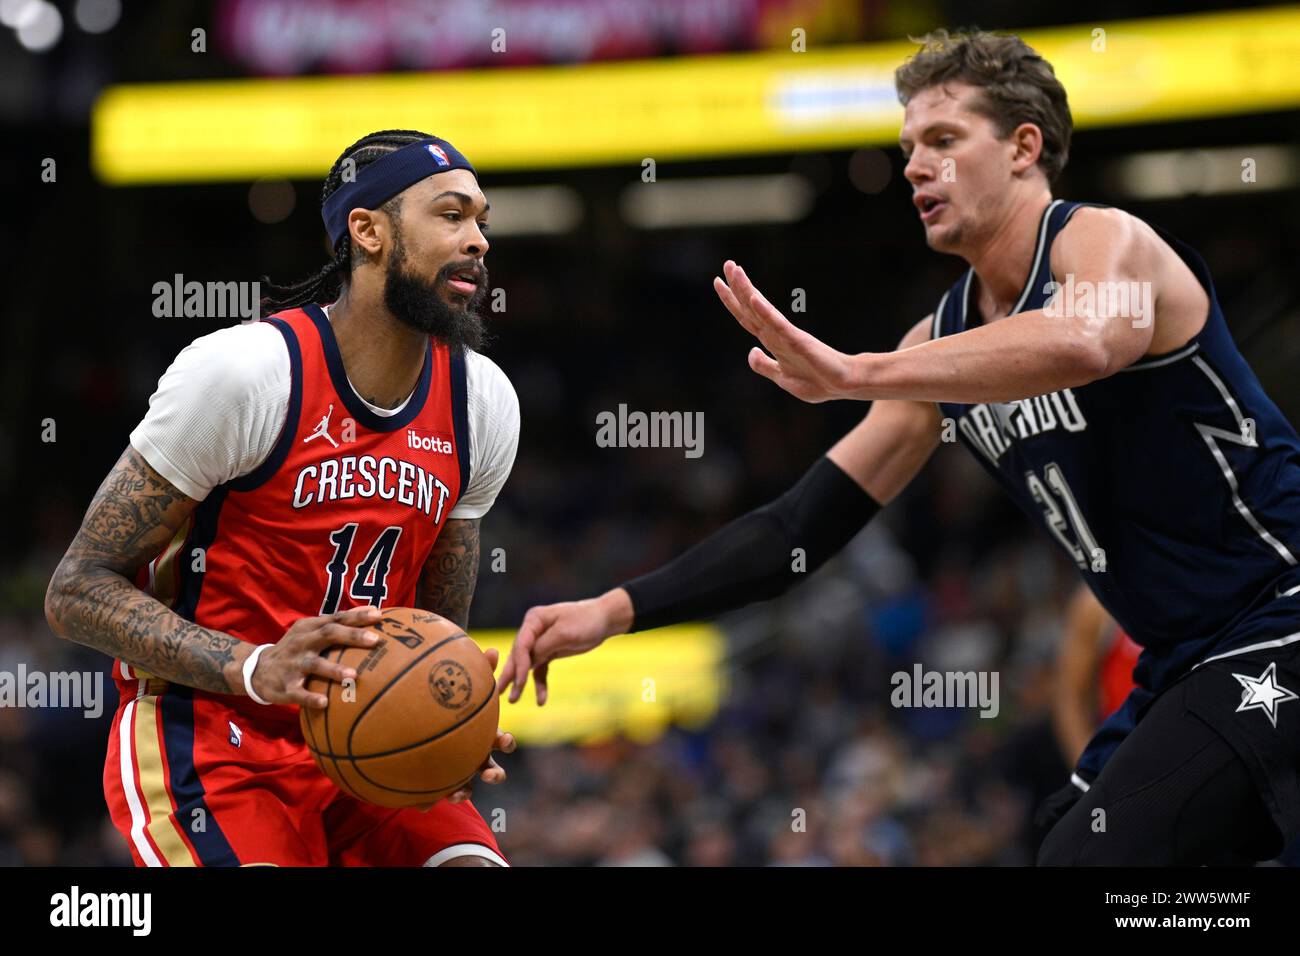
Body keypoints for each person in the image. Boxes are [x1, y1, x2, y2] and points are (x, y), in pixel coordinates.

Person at [501, 31, 1300, 866]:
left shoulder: (1103, 242)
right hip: (1185, 656)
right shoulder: (941, 343)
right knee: (1061, 834)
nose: (916, 167)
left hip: (1278, 612)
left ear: (1025, 148)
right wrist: (613, 610)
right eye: (909, 148)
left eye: (945, 141)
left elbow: (1089, 339)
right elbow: (797, 531)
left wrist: (862, 372)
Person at [45, 129, 520, 867]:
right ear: (367, 231)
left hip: (361, 738)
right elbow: (75, 590)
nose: (479, 239)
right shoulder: (244, 374)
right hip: (209, 739)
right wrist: (253, 666)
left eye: (482, 220)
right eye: (452, 216)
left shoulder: (481, 401)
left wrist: (449, 713)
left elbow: (433, 625)